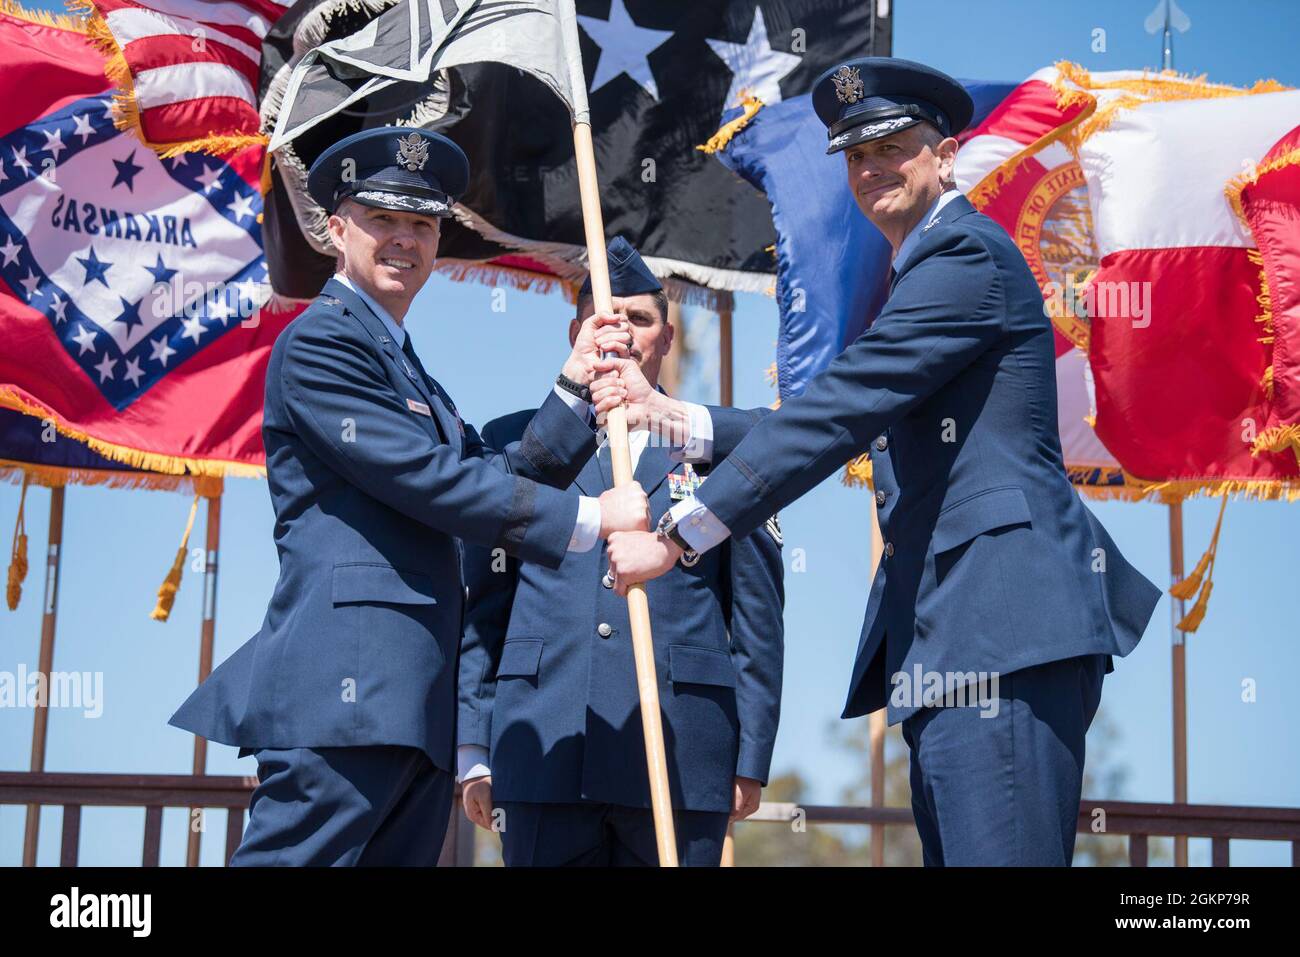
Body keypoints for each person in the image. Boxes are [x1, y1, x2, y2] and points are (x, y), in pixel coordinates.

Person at [598, 58, 1162, 866]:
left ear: (947, 154)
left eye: (894, 147)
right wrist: (669, 414)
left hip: (1000, 629)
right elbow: (846, 408)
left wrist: (679, 532)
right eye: (857, 157)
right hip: (953, 637)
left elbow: (842, 406)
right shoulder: (926, 273)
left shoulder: (964, 257)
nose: (871, 170)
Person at [169, 127, 651, 866]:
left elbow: (491, 469)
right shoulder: (322, 343)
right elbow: (430, 481)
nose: (405, 239)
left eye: (422, 223)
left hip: (412, 705)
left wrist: (574, 382)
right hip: (343, 700)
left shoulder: (405, 364)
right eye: (383, 218)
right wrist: (589, 518)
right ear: (336, 229)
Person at [457, 238, 784, 866]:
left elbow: (757, 615)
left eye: (640, 319)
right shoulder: (514, 443)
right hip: (542, 743)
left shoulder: (720, 448)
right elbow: (484, 605)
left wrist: (749, 756)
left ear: (665, 336)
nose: (624, 335)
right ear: (578, 332)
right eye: (607, 319)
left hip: (683, 752)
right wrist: (475, 744)